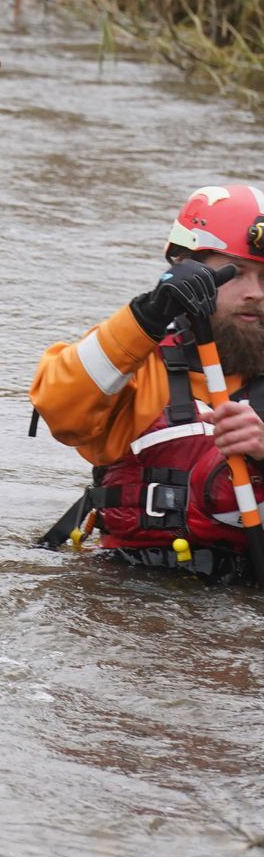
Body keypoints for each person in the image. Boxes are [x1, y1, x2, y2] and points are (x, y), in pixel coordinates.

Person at [31, 183, 264, 582]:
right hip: (134, 588)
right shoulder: (134, 358)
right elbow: (59, 408)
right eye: (236, 274)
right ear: (189, 268)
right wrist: (147, 316)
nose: (255, 294)